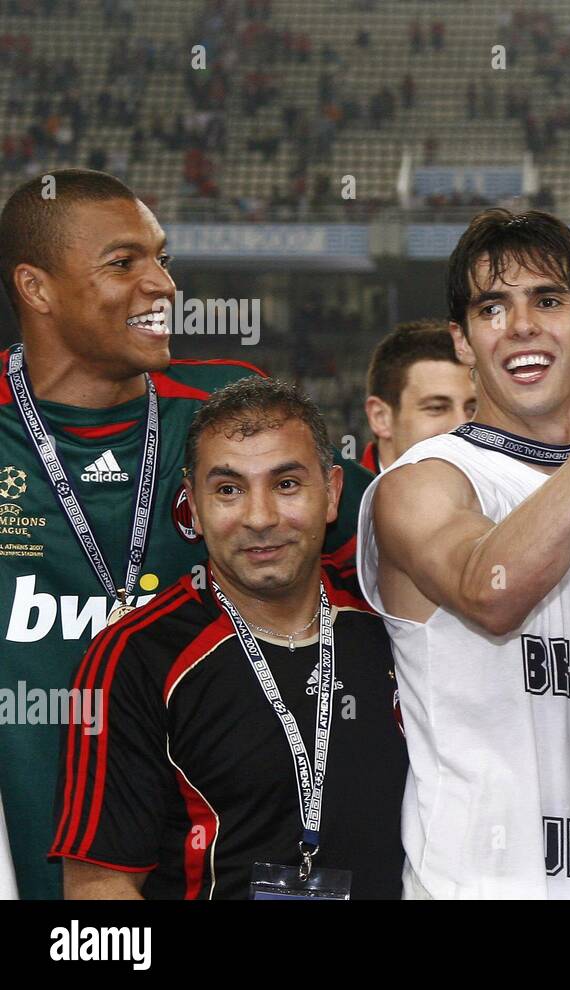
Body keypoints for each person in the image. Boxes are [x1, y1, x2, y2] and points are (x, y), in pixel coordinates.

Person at [0, 168, 369, 899]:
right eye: (124, 262)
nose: (162, 285)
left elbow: (410, 541)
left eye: (161, 258)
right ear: (36, 289)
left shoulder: (223, 421)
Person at [356, 209, 570, 898]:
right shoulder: (424, 482)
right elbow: (492, 592)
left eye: (547, 300)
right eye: (494, 308)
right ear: (463, 342)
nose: (522, 325)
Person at [50, 378, 406, 899]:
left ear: (331, 493)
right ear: (191, 504)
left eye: (286, 484)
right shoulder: (135, 656)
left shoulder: (393, 629)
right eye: (228, 490)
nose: (259, 518)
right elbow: (98, 884)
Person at [360, 320, 476, 472]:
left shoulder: (509, 491)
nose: (463, 426)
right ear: (380, 418)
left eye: (473, 409)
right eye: (437, 408)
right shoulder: (338, 495)